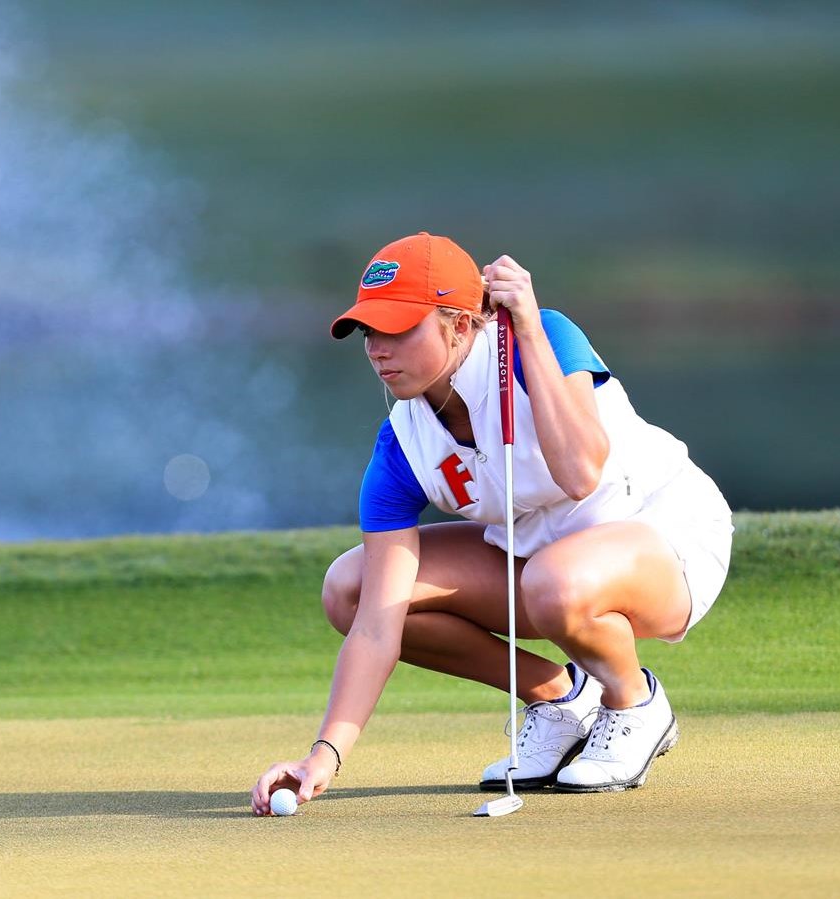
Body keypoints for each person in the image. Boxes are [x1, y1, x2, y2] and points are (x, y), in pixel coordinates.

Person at [250, 232, 732, 815]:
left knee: (554, 581)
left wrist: (527, 328)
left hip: (665, 535)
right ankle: (560, 699)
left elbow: (580, 474)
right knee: (350, 591)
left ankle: (633, 702)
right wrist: (322, 755)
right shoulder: (402, 444)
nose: (378, 348)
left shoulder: (543, 335)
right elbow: (377, 626)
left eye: (400, 328)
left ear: (458, 324)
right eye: (370, 331)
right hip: (539, 562)